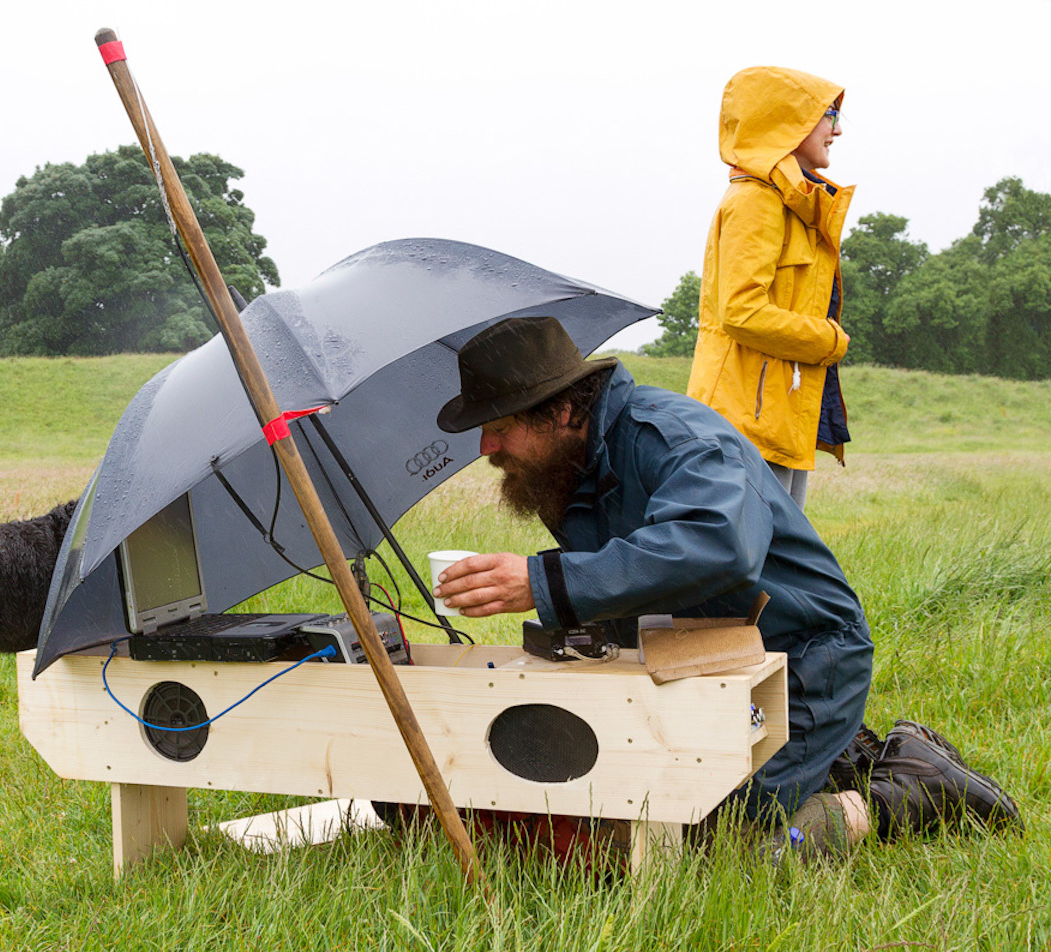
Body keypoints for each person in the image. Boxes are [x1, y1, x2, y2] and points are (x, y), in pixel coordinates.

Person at [433, 315, 1020, 856]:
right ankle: (842, 753)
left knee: (716, 839)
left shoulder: (674, 437)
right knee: (620, 800)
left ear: (558, 412)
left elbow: (718, 546)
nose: (486, 448)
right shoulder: (566, 467)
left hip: (799, 656)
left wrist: (543, 581)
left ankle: (908, 787)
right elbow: (627, 582)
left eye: (498, 427)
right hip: (700, 664)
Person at [688, 66, 854, 511]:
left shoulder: (794, 202)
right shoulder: (756, 200)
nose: (837, 130)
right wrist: (829, 340)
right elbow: (742, 312)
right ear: (788, 121)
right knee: (752, 564)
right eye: (829, 115)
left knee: (778, 564)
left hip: (775, 415)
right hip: (745, 423)